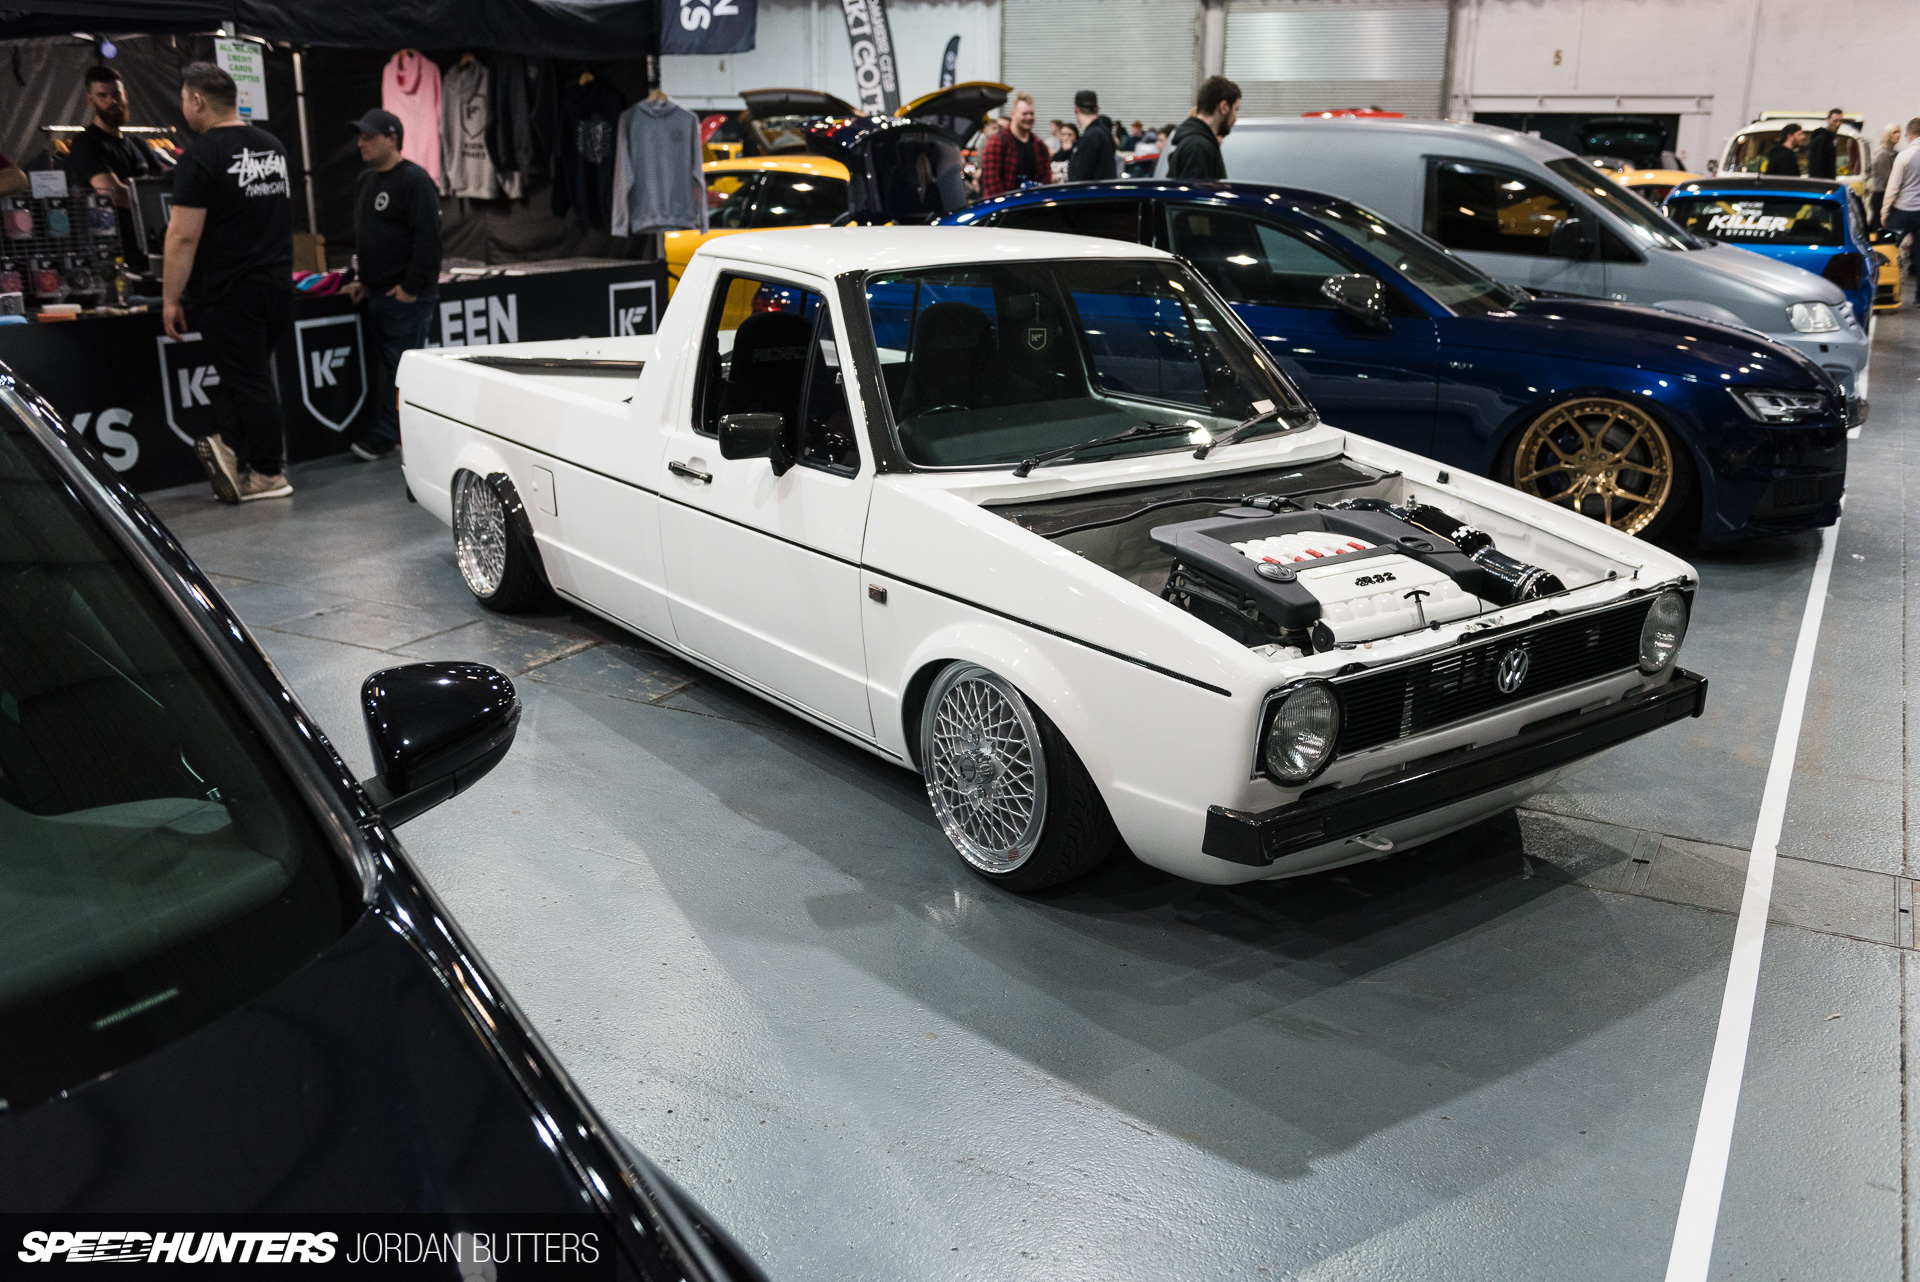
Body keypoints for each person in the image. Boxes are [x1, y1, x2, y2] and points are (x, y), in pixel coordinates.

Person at [163, 62, 295, 504]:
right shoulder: (272, 146)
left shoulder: (201, 156)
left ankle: (267, 473)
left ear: (197, 101)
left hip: (231, 290)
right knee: (245, 376)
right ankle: (228, 446)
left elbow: (182, 236)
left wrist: (169, 298)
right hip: (277, 284)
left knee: (250, 379)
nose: (184, 107)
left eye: (184, 99)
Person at [346, 108, 441, 462]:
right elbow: (366, 238)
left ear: (392, 138)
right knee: (387, 367)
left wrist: (411, 287)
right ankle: (400, 431)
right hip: (375, 292)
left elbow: (429, 239)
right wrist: (359, 277)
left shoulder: (415, 180)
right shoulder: (365, 181)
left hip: (405, 297)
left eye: (369, 137)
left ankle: (386, 434)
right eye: (360, 137)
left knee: (401, 368)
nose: (361, 143)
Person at [64, 65, 153, 260]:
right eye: (102, 95)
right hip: (116, 253)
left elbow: (166, 186)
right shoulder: (86, 143)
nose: (111, 101)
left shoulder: (139, 145)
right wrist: (155, 202)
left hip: (151, 247)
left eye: (116, 94)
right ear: (90, 100)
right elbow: (113, 194)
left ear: (125, 96)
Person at [1165, 75, 1241, 180]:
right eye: (1235, 110)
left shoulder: (1195, 141)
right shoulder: (1198, 147)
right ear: (1223, 107)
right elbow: (1197, 195)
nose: (1235, 118)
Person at [979, 91, 1052, 198]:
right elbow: (992, 186)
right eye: (1024, 114)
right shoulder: (996, 143)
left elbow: (1046, 183)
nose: (1029, 117)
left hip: (1034, 208)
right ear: (1013, 115)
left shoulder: (1040, 146)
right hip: (1005, 210)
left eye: (1031, 113)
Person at [1882, 118, 1920, 300]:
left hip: (1903, 212)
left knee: (1886, 249)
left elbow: (1893, 187)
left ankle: (1882, 290)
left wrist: (1885, 211)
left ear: (1910, 134)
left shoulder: (1904, 156)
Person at [1067, 89, 1119, 182]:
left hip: (1093, 195)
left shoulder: (1089, 138)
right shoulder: (1105, 132)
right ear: (1097, 108)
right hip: (1107, 194)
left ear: (1075, 109)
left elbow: (1079, 178)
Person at [1867, 124, 1900, 232]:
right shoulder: (1883, 155)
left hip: (1885, 195)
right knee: (1879, 227)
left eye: (1899, 132)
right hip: (1881, 195)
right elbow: (1886, 179)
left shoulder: (1892, 154)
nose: (1898, 135)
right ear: (1888, 135)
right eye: (1895, 132)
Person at [1805, 108, 1844, 181]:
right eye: (1835, 121)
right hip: (1822, 185)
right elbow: (1816, 167)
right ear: (1827, 120)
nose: (1838, 124)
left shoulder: (1828, 139)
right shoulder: (1822, 140)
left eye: (1840, 121)